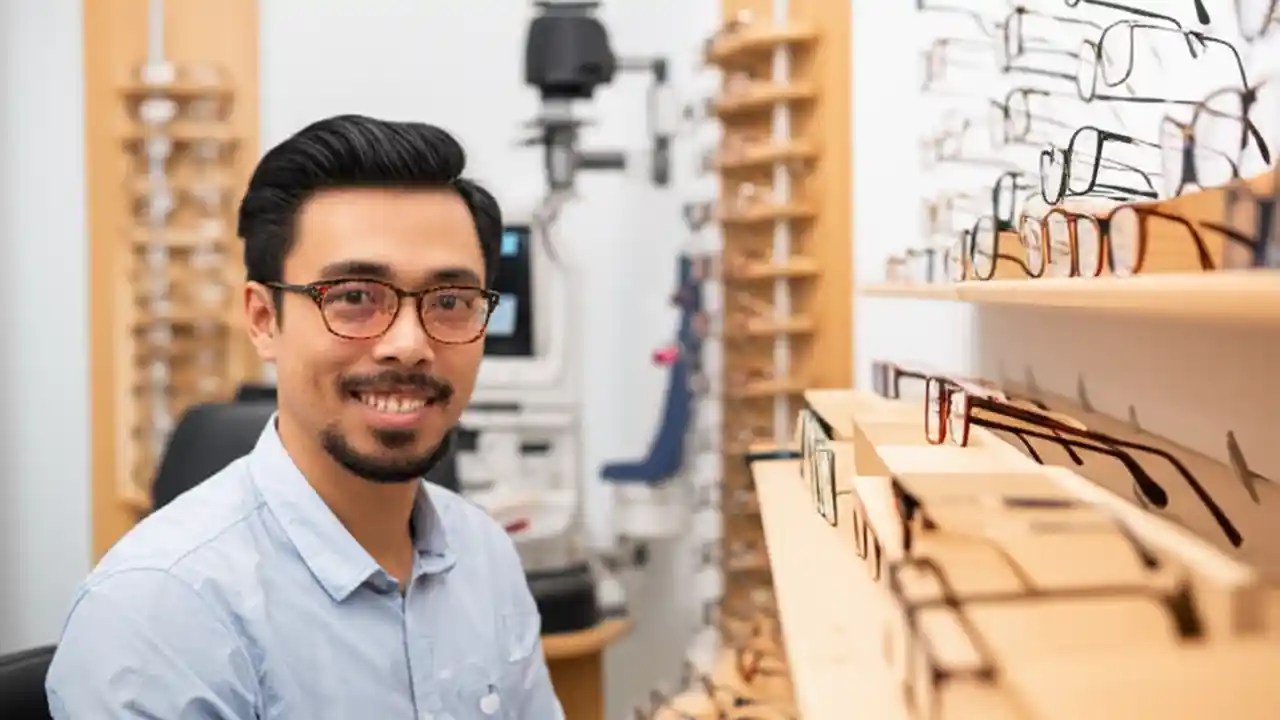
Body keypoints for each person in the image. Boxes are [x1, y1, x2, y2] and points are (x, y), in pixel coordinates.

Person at [45, 114, 565, 719]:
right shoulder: (160, 613)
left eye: (450, 301)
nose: (408, 344)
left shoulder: (484, 555)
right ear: (264, 320)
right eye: (354, 297)